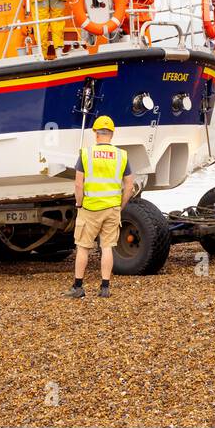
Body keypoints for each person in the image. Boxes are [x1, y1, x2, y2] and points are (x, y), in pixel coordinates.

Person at [66, 115, 134, 299]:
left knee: (82, 247)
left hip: (90, 208)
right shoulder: (122, 155)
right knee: (107, 247)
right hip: (112, 208)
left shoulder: (86, 154)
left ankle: (78, 287)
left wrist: (79, 203)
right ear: (112, 134)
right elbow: (129, 186)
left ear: (95, 133)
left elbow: (78, 184)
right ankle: (105, 288)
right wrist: (120, 206)